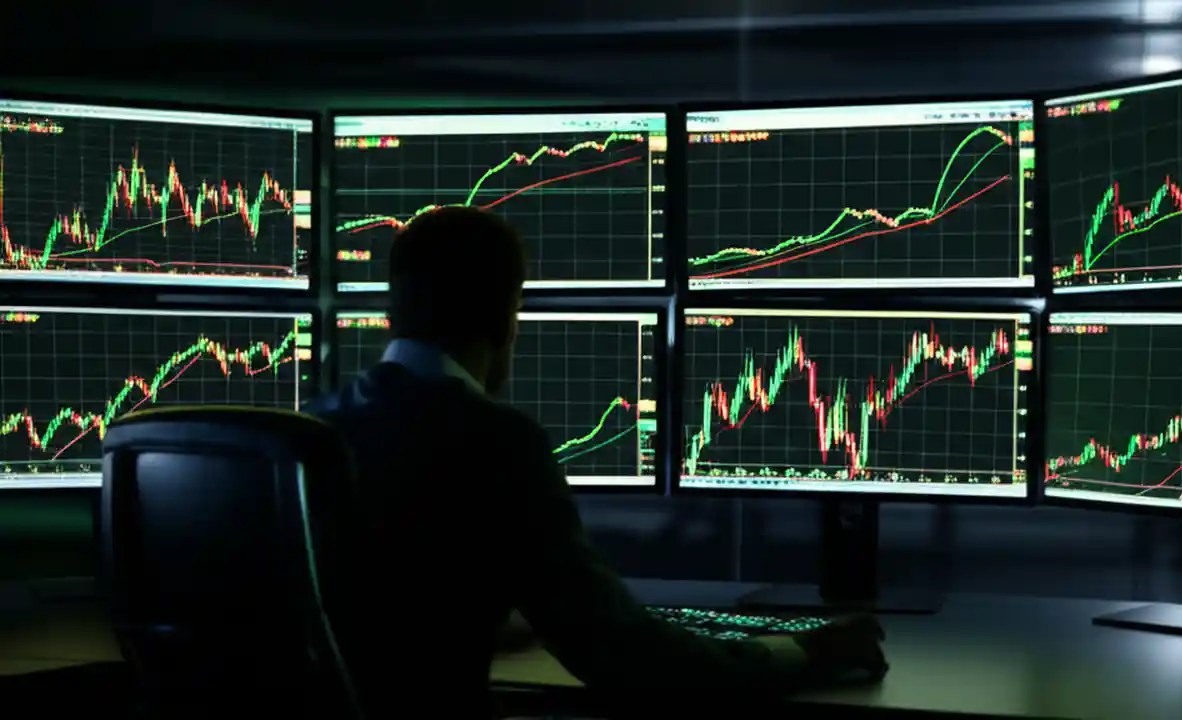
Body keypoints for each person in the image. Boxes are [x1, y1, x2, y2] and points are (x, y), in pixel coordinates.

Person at [307, 206, 887, 715]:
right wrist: (803, 651)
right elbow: (625, 657)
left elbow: (388, 608)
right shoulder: (498, 443)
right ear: (507, 319)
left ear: (392, 312)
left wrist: (494, 617)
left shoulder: (311, 428)